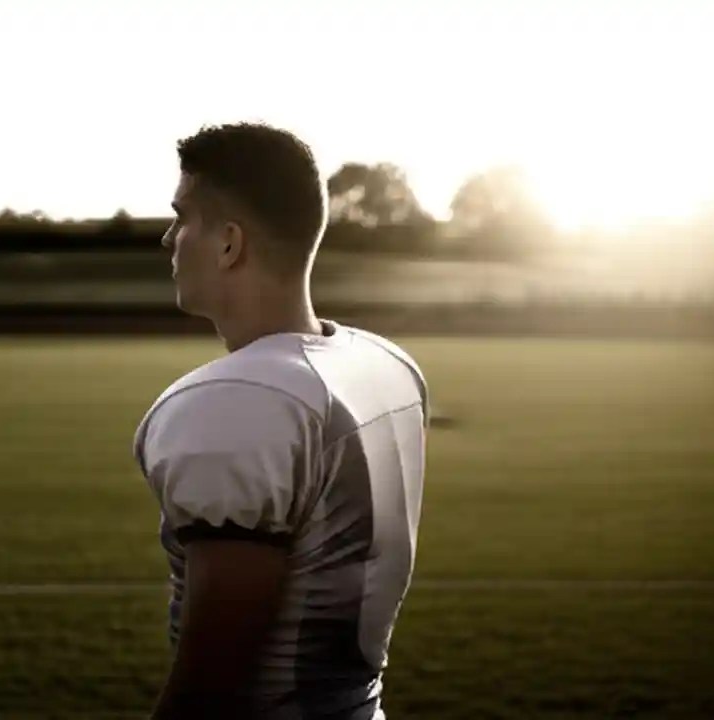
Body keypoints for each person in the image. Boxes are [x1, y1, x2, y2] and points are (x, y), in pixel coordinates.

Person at [131, 122, 431, 719]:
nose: (168, 237)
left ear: (228, 244)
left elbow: (212, 689)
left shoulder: (236, 401)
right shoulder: (386, 364)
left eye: (181, 216)